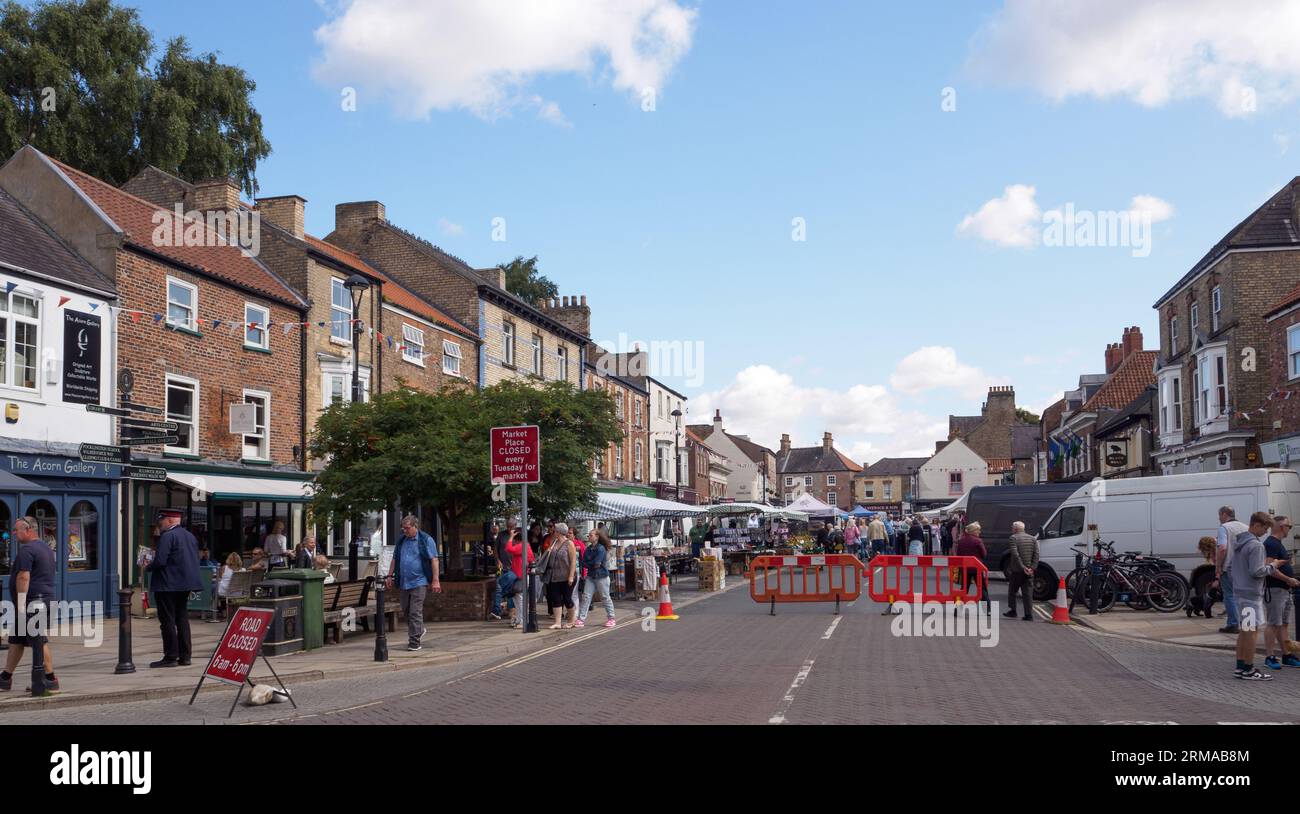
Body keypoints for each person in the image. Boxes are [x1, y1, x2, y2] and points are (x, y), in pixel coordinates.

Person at [1232, 512, 1300, 680]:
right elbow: (1257, 571)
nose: (1265, 532)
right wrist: (1273, 565)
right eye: (1264, 528)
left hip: (1240, 592)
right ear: (1255, 525)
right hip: (1250, 595)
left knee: (1244, 631)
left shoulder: (1240, 543)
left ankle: (1240, 666)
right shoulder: (1255, 545)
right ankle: (1249, 668)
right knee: (1251, 632)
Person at [0, 516, 58, 693]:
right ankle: (5, 678)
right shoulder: (45, 548)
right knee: (16, 640)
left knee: (38, 640)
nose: (14, 533)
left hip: (33, 602)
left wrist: (21, 605)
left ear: (28, 530)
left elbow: (23, 576)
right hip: (43, 599)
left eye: (17, 530)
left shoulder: (27, 550)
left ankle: (50, 680)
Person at [147, 508, 201, 668]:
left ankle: (170, 656)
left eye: (161, 520)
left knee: (167, 621)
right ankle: (185, 656)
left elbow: (161, 561)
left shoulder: (167, 536)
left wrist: (147, 565)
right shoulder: (189, 536)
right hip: (184, 585)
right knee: (182, 619)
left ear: (169, 520)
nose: (160, 523)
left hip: (167, 585)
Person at [386, 515, 441, 652]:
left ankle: (414, 642)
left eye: (407, 528)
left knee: (415, 612)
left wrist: (435, 580)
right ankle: (419, 630)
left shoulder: (426, 540)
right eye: (403, 528)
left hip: (419, 581)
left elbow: (434, 560)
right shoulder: (401, 540)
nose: (405, 531)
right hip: (404, 582)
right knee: (406, 610)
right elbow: (394, 559)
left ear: (415, 526)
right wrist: (389, 575)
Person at [1262, 516, 1299, 669]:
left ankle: (1287, 655)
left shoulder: (1278, 544)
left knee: (1283, 624)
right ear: (1281, 526)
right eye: (1289, 526)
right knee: (1273, 623)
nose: (1290, 529)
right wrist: (1287, 579)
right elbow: (1269, 567)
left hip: (1283, 589)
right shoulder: (1271, 543)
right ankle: (1269, 657)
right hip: (1275, 589)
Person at [1215, 506, 1248, 634]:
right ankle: (1245, 623)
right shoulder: (1245, 527)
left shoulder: (1224, 528)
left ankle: (1233, 624)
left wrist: (1218, 566)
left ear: (1224, 514)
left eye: (1219, 515)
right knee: (1242, 596)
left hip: (1229, 566)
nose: (1219, 518)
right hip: (1244, 567)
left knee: (1229, 595)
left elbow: (1222, 548)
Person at [539, 522, 577, 629]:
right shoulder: (553, 542)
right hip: (554, 576)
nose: (552, 532)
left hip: (566, 576)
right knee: (555, 598)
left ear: (559, 532)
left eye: (554, 530)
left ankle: (571, 621)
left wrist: (571, 576)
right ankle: (557, 622)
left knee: (567, 599)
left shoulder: (569, 544)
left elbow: (573, 561)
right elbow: (547, 556)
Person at [577, 528, 616, 628]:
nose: (589, 537)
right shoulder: (588, 549)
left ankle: (611, 618)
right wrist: (591, 564)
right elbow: (583, 563)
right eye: (589, 535)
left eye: (591, 535)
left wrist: (589, 563)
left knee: (605, 597)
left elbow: (597, 564)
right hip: (591, 576)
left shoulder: (601, 548)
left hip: (601, 576)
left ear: (597, 537)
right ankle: (581, 619)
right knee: (586, 597)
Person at [1004, 521, 1039, 621]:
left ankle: (1013, 611)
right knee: (1027, 593)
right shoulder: (1032, 538)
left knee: (1012, 591)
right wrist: (1032, 568)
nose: (1011, 529)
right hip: (1030, 571)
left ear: (1015, 529)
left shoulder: (1013, 538)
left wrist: (1023, 567)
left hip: (1018, 571)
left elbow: (1015, 555)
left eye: (1012, 527)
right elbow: (1036, 554)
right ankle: (1028, 615)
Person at [501, 527, 534, 627]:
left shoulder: (522, 546)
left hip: (521, 576)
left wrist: (511, 536)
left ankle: (523, 621)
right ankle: (520, 620)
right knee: (517, 600)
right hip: (519, 575)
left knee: (520, 600)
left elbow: (508, 548)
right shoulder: (524, 545)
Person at [955, 522, 990, 615]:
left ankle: (957, 610)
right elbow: (984, 554)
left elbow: (958, 554)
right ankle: (987, 610)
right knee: (982, 589)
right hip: (976, 568)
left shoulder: (961, 540)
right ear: (973, 531)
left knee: (964, 589)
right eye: (978, 530)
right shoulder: (978, 541)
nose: (979, 532)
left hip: (965, 568)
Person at [215, 551, 243, 618]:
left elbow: (220, 578)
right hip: (238, 593)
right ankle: (231, 611)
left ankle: (223, 610)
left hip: (226, 592)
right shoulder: (243, 570)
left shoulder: (224, 568)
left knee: (216, 587)